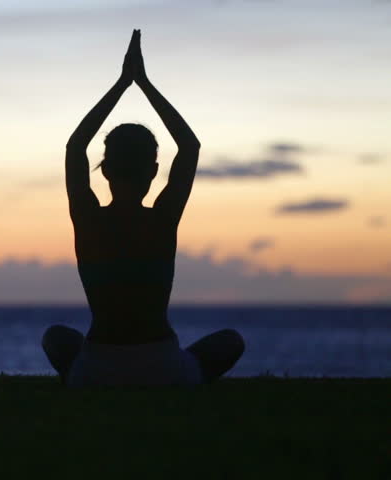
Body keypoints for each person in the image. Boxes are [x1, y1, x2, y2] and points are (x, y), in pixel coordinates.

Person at [42, 29, 244, 386]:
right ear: (153, 172)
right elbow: (190, 147)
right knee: (231, 341)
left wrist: (122, 85)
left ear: (103, 170)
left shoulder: (89, 220)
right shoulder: (163, 219)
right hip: (165, 370)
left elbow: (75, 148)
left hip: (96, 371)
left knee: (55, 337)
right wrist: (144, 84)